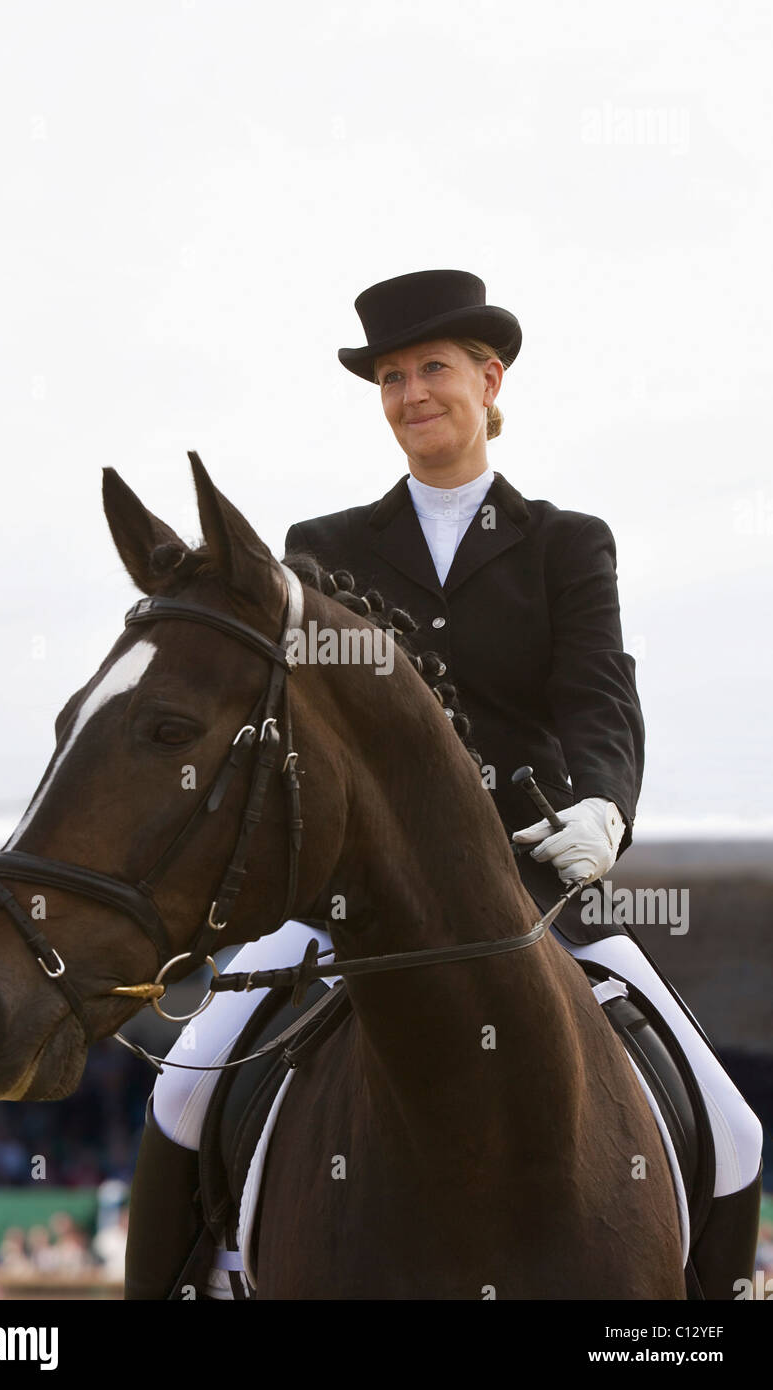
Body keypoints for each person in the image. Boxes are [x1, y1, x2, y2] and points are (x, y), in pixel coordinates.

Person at [125, 268, 763, 1301]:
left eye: (430, 368)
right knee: (186, 1085)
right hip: (348, 887)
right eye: (388, 375)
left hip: (533, 876)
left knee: (728, 1122)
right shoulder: (321, 553)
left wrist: (603, 806)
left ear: (487, 378)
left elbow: (600, 697)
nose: (409, 392)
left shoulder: (565, 543)